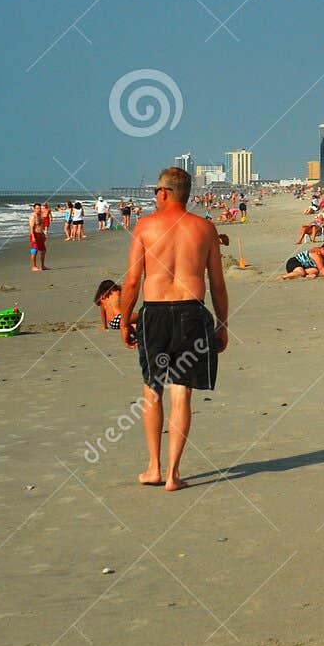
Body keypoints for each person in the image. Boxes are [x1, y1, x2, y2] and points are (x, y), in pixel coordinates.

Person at [120, 166, 228, 492]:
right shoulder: (205, 229)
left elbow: (132, 281)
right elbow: (217, 284)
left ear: (164, 193)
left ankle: (153, 467)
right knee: (181, 393)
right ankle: (173, 474)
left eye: (155, 191)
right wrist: (222, 324)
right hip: (192, 312)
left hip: (154, 314)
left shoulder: (145, 227)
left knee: (152, 389)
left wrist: (125, 319)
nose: (154, 196)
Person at [28, 203, 48, 272]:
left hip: (40, 235)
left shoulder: (40, 216)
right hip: (34, 235)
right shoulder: (33, 216)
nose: (38, 209)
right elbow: (31, 228)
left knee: (43, 250)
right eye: (37, 208)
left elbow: (41, 227)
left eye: (39, 208)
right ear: (34, 209)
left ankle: (42, 266)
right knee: (34, 250)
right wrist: (33, 237)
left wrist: (43, 234)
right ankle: (33, 266)